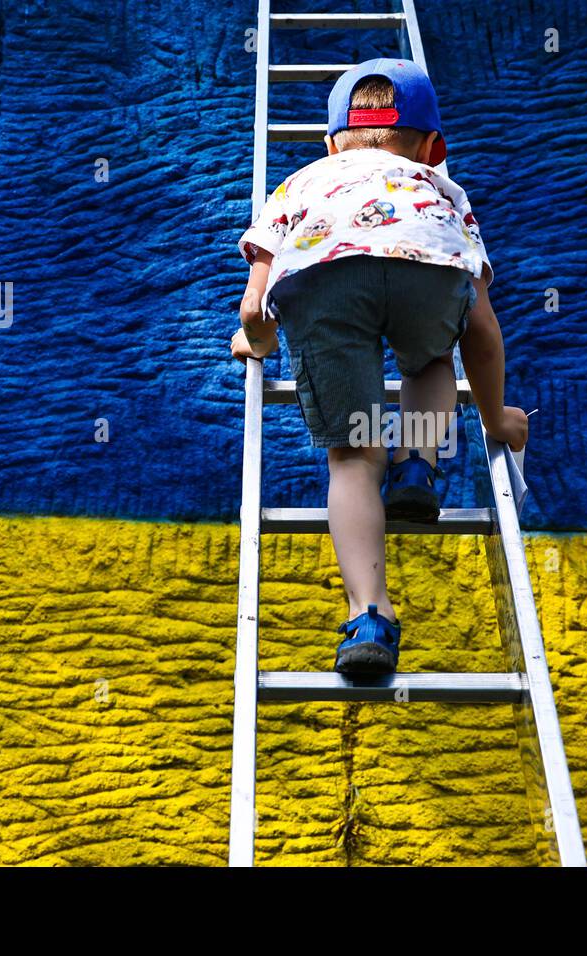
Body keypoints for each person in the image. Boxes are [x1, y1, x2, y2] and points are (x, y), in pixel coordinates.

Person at [231, 58, 528, 675]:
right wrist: (496, 418)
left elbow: (255, 303)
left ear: (333, 142)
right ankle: (417, 466)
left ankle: (371, 617)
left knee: (352, 454)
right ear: (431, 147)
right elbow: (481, 325)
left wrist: (257, 342)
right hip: (428, 269)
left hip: (325, 282)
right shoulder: (442, 192)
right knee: (429, 362)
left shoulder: (303, 183)